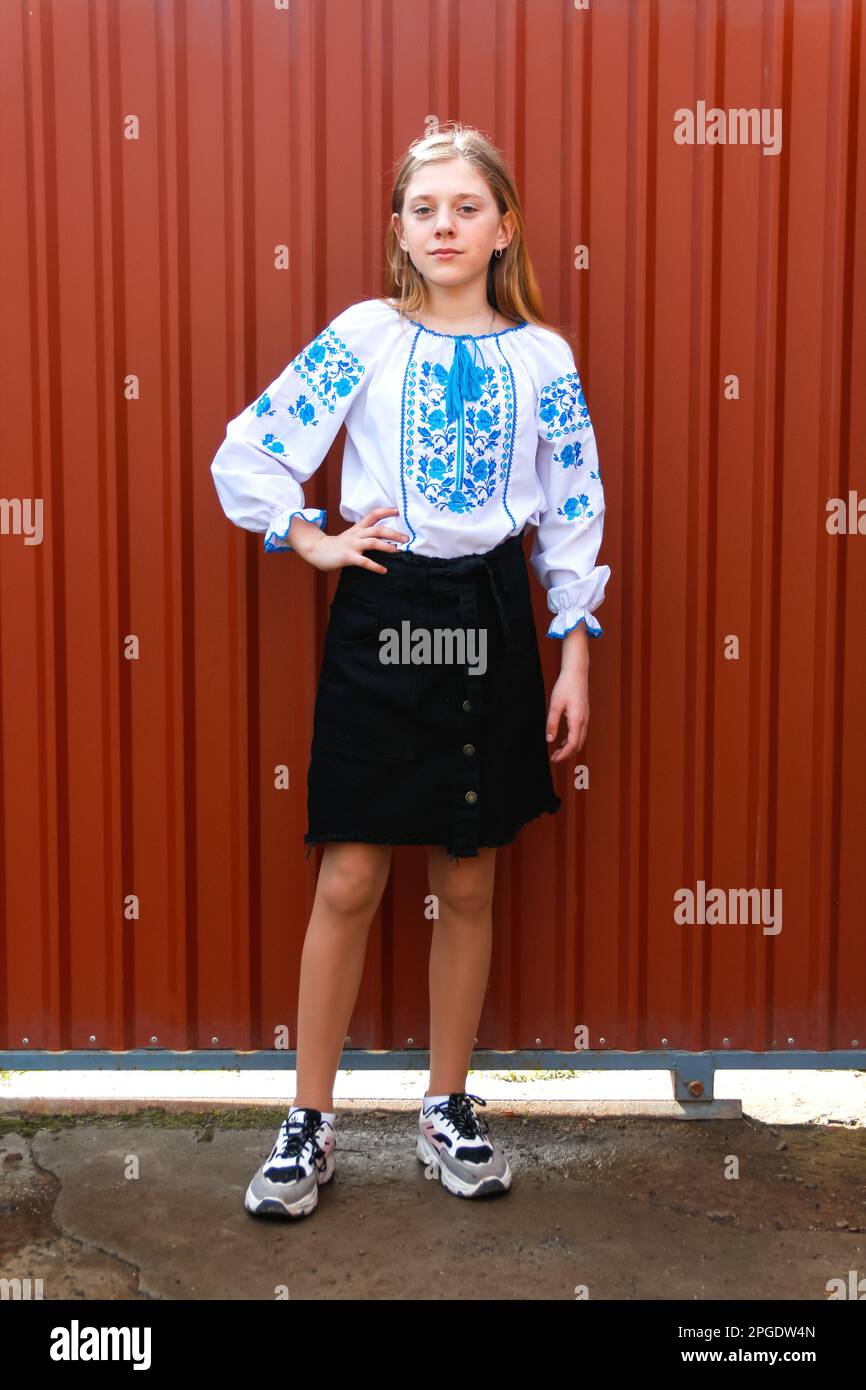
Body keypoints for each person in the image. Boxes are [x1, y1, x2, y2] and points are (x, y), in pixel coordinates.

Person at [209, 122, 612, 1218]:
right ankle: (307, 1121)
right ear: (397, 229)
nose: (443, 224)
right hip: (384, 608)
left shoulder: (543, 357)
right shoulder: (364, 336)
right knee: (348, 872)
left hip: (489, 613)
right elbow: (249, 448)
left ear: (502, 227)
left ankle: (446, 1105)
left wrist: (573, 651)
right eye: (422, 208)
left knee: (467, 874)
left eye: (465, 207)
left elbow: (571, 509)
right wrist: (308, 535)